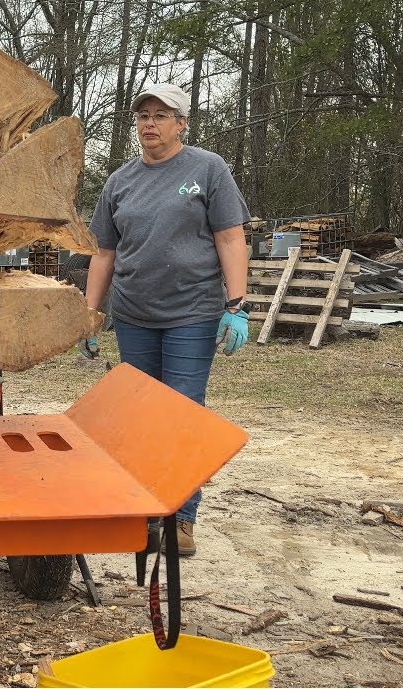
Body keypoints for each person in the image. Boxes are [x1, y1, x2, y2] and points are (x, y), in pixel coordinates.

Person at [81, 83, 249, 557]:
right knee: (141, 415)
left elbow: (231, 238)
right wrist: (91, 314)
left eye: (161, 115)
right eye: (142, 116)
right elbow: (105, 252)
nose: (149, 123)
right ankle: (146, 510)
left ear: (181, 123)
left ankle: (180, 518)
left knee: (181, 412)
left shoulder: (207, 169)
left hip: (191, 312)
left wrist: (237, 306)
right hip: (133, 312)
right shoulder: (120, 181)